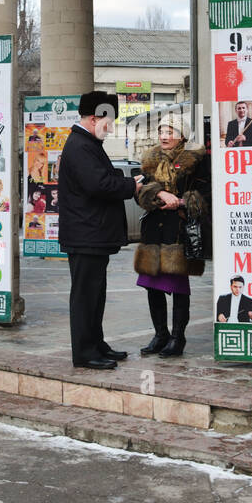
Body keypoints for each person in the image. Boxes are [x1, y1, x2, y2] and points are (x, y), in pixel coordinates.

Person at [58, 91, 142, 369]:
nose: (111, 128)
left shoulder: (87, 143)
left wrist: (124, 179)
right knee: (85, 297)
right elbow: (98, 185)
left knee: (95, 294)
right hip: (86, 235)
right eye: (109, 122)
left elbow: (101, 176)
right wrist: (132, 186)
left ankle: (96, 344)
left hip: (93, 235)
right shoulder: (80, 145)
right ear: (94, 118)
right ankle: (84, 352)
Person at [133, 116, 208, 357]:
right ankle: (160, 334)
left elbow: (206, 193)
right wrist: (160, 194)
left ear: (182, 135)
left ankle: (178, 337)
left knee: (178, 286)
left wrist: (183, 202)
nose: (164, 136)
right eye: (161, 131)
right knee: (151, 286)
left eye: (170, 131)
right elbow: (141, 193)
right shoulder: (150, 160)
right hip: (154, 230)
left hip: (179, 229)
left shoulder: (197, 160)